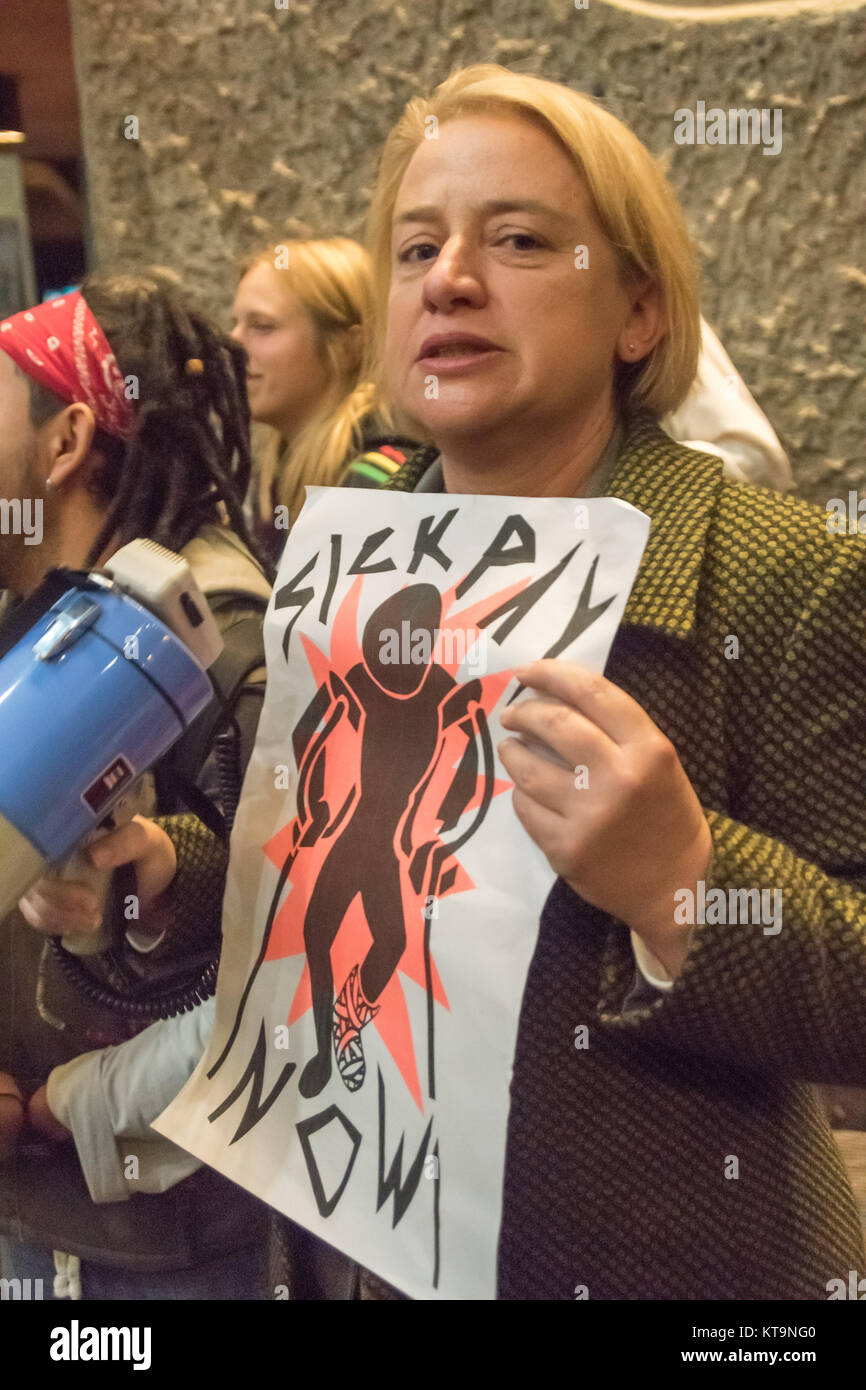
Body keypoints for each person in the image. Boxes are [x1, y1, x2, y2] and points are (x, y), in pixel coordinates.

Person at [26, 67, 863, 1301]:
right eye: (415, 245)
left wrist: (685, 884)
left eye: (519, 238)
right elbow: (304, 873)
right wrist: (150, 884)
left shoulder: (784, 577)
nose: (449, 276)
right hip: (341, 1248)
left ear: (638, 309)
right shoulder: (343, 553)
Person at [0, 271, 273, 1299]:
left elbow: (300, 956)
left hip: (178, 1242)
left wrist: (94, 1098)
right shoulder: (37, 613)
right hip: (42, 1214)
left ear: (65, 441)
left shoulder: (222, 644)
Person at [229, 236, 416, 562]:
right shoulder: (277, 472)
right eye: (235, 324)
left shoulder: (381, 483)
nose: (232, 344)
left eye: (262, 326)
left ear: (348, 348)